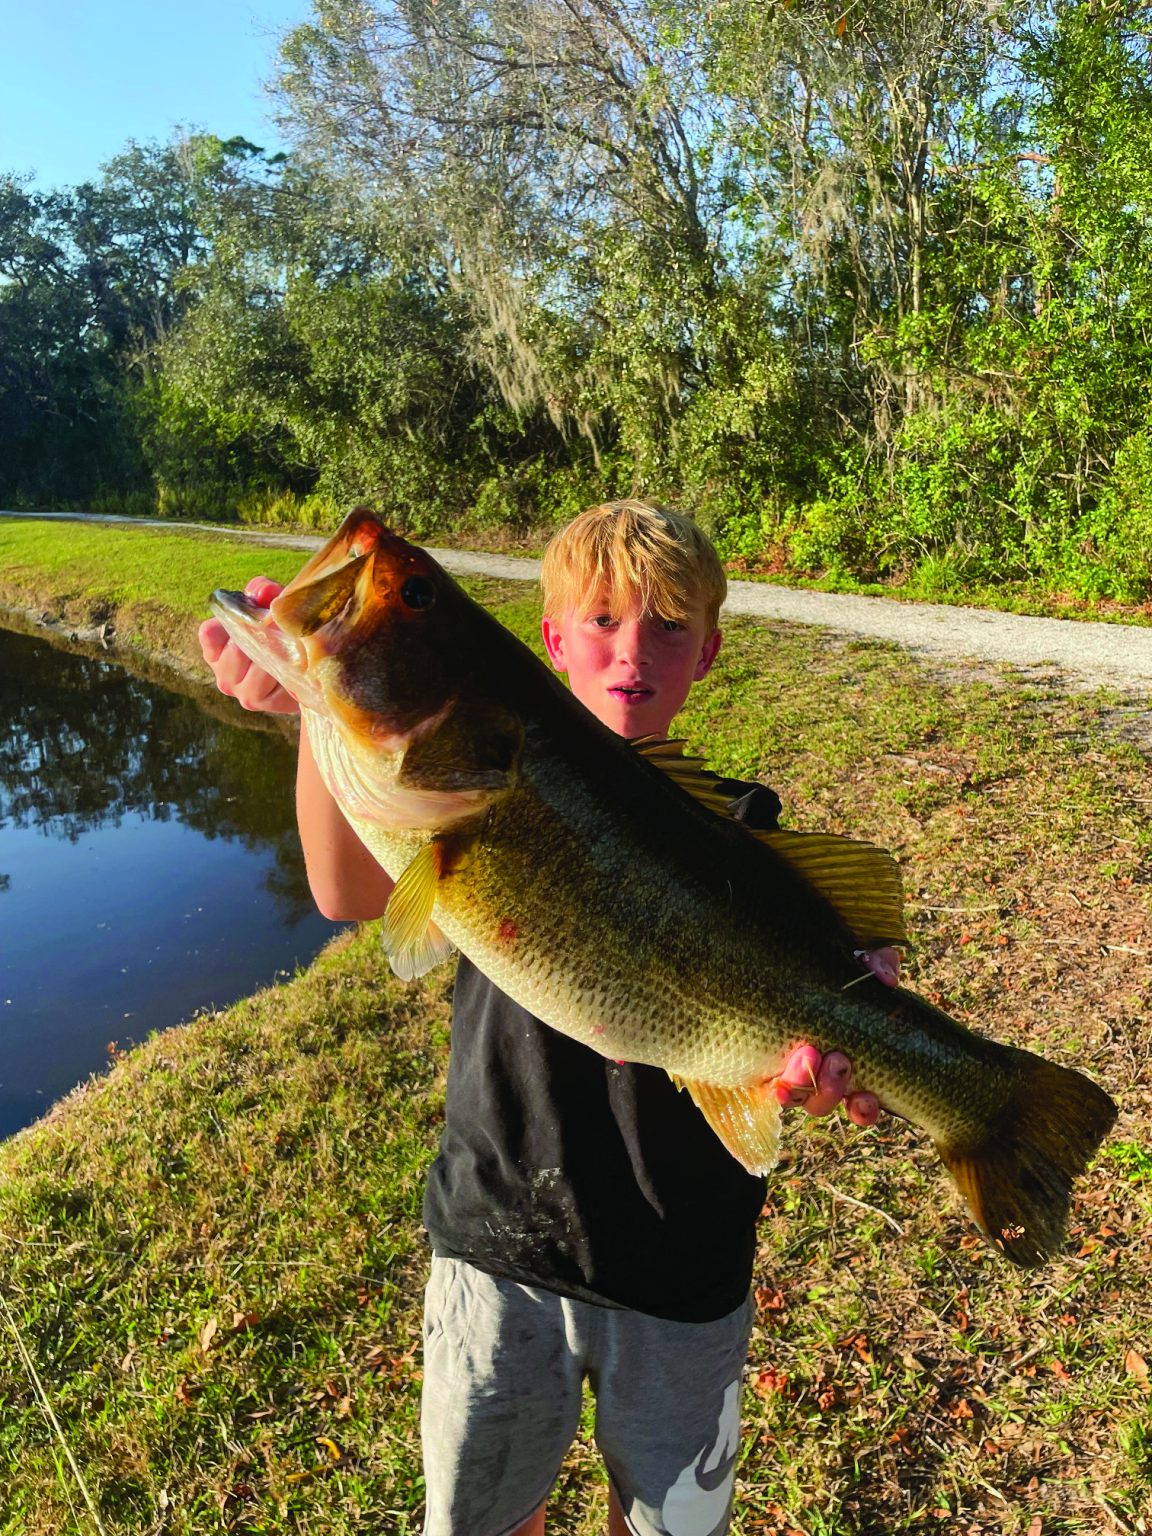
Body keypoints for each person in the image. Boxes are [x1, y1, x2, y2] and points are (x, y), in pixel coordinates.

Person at [199, 500, 900, 1536]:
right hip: (499, 1245)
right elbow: (348, 892)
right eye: (605, 621)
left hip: (684, 1262)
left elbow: (831, 965)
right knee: (488, 1514)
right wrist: (317, 700)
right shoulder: (466, 798)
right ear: (552, 642)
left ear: (708, 652)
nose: (632, 652)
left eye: (668, 626)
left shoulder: (742, 831)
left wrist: (863, 1025)